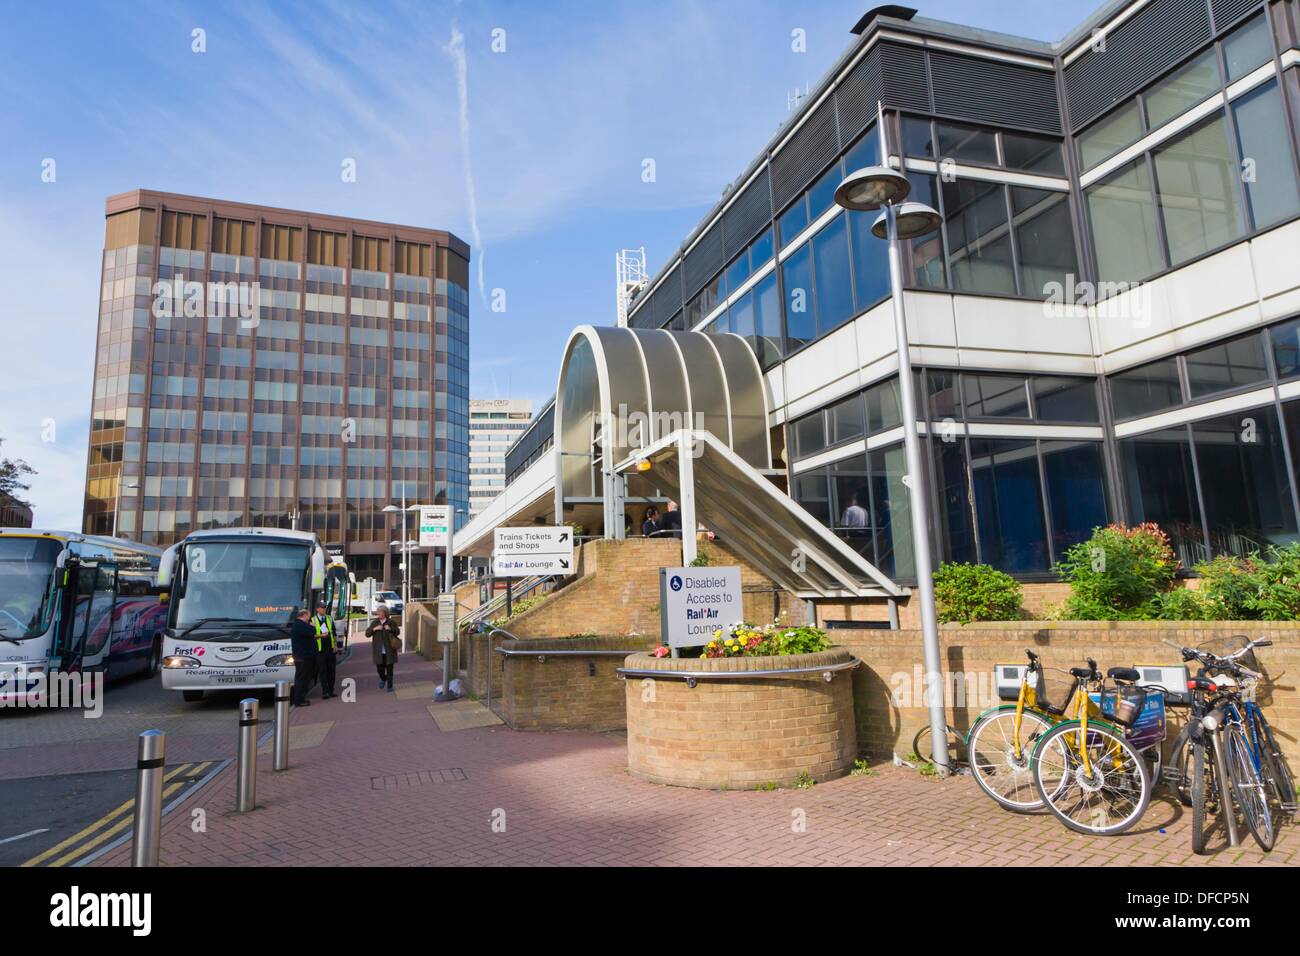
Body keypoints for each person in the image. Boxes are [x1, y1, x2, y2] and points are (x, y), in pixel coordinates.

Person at [367, 604, 401, 692]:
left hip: (389, 650)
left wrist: (390, 629)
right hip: (378, 651)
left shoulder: (391, 622)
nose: (378, 614)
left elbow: (397, 632)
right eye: (378, 612)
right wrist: (374, 629)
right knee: (380, 669)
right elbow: (367, 634)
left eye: (380, 612)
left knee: (390, 669)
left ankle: (390, 687)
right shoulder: (375, 622)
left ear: (385, 613)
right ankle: (383, 679)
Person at [288, 608, 317, 707]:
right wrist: (313, 627)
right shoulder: (300, 625)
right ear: (304, 615)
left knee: (304, 677)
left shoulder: (297, 625)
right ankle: (299, 700)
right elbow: (311, 632)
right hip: (303, 656)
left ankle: (301, 698)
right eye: (308, 616)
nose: (309, 619)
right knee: (302, 678)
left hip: (302, 655)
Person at [312, 601, 338, 700]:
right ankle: (325, 691)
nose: (324, 609)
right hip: (320, 650)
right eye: (322, 608)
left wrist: (335, 645)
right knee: (322, 671)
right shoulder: (313, 620)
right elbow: (311, 635)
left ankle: (331, 690)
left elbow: (334, 633)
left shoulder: (329, 618)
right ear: (317, 609)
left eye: (325, 608)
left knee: (332, 670)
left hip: (330, 649)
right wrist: (320, 635)